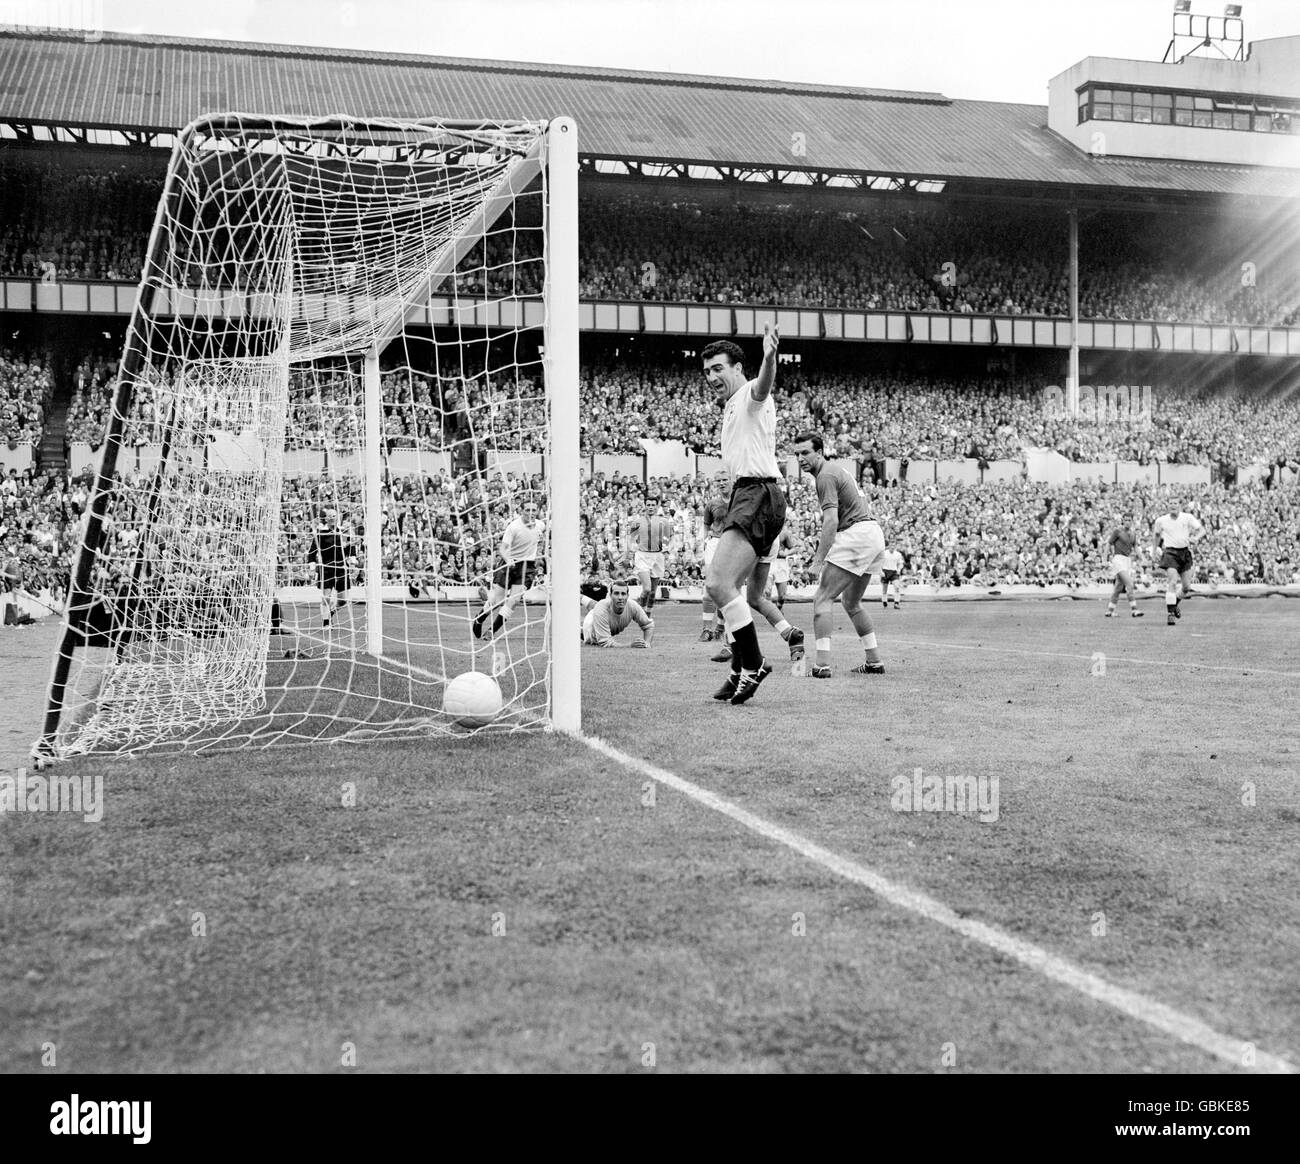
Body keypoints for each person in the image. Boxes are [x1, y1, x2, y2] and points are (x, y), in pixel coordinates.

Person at [702, 326, 786, 705]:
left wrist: (769, 358)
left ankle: (753, 663)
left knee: (718, 584)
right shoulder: (732, 407)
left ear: (738, 368)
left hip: (758, 493)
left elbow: (764, 387)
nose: (712, 377)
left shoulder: (750, 394)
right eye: (707, 371)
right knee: (727, 591)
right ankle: (739, 670)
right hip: (751, 495)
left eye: (718, 368)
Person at [791, 431, 886, 678]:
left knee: (822, 598)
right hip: (872, 533)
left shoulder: (824, 476)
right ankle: (874, 661)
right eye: (797, 454)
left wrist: (817, 561)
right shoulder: (834, 470)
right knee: (851, 602)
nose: (800, 458)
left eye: (805, 452)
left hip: (857, 534)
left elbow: (831, 521)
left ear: (819, 452)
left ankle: (821, 665)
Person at [473, 498, 544, 639]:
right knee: (497, 601)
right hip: (509, 564)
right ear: (521, 511)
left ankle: (492, 631)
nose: (531, 513)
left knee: (514, 600)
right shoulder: (514, 527)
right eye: (527, 510)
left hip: (527, 566)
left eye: (534, 510)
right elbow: (502, 549)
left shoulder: (540, 525)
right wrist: (508, 560)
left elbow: (538, 538)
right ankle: (479, 619)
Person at [1152, 499, 1204, 627]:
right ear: (1168, 506)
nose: (1173, 505)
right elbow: (1157, 535)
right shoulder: (1161, 520)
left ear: (1179, 506)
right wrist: (1154, 550)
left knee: (1186, 587)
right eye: (1170, 503)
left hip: (1184, 553)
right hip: (1170, 553)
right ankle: (1170, 614)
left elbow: (1202, 530)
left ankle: (1174, 605)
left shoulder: (1187, 517)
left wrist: (1196, 538)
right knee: (1173, 581)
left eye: (1175, 503)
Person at [698, 470, 730, 643]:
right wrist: (701, 543)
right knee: (710, 585)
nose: (722, 483)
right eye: (719, 480)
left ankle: (720, 627)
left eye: (725, 479)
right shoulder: (712, 504)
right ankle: (706, 629)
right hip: (715, 543)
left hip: (733, 545)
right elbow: (706, 526)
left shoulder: (740, 502)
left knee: (726, 589)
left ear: (731, 480)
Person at [627, 502, 674, 613]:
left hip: (657, 556)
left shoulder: (664, 522)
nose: (651, 507)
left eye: (653, 505)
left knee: (653, 592)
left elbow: (672, 537)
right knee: (647, 589)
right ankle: (640, 611)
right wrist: (631, 548)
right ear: (645, 506)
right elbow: (630, 538)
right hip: (642, 555)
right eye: (648, 505)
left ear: (657, 506)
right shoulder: (637, 522)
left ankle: (648, 614)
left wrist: (668, 548)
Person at [307, 508, 350, 629]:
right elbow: (311, 553)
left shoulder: (343, 532)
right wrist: (312, 566)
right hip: (326, 568)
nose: (332, 518)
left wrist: (352, 557)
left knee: (343, 600)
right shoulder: (320, 533)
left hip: (341, 568)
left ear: (338, 517)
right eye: (329, 516)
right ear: (326, 519)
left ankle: (330, 612)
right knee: (326, 596)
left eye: (334, 516)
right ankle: (326, 622)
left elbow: (350, 547)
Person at [582, 579, 653, 648]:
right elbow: (605, 642)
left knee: (594, 604)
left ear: (628, 596)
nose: (620, 597)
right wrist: (629, 645)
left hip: (603, 612)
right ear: (610, 595)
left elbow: (648, 625)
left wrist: (647, 643)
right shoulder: (601, 609)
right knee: (584, 634)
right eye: (616, 593)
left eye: (623, 594)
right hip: (590, 625)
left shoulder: (632, 605)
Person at [1104, 521, 1144, 619]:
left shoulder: (1133, 534)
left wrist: (1143, 558)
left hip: (1127, 560)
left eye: (1129, 520)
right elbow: (1108, 544)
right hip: (1118, 559)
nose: (1127, 522)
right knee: (1129, 584)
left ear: (1132, 521)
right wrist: (1104, 559)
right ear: (1123, 521)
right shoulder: (1117, 531)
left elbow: (1135, 547)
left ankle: (1110, 611)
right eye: (1125, 520)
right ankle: (1134, 610)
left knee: (1118, 587)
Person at [878, 545, 904, 610]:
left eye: (893, 546)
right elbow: (879, 563)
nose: (892, 548)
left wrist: (899, 570)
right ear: (889, 546)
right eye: (891, 546)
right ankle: (884, 602)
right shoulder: (884, 553)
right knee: (884, 589)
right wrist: (881, 572)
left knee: (897, 587)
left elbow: (900, 563)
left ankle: (896, 603)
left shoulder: (898, 554)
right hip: (885, 571)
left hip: (894, 572)